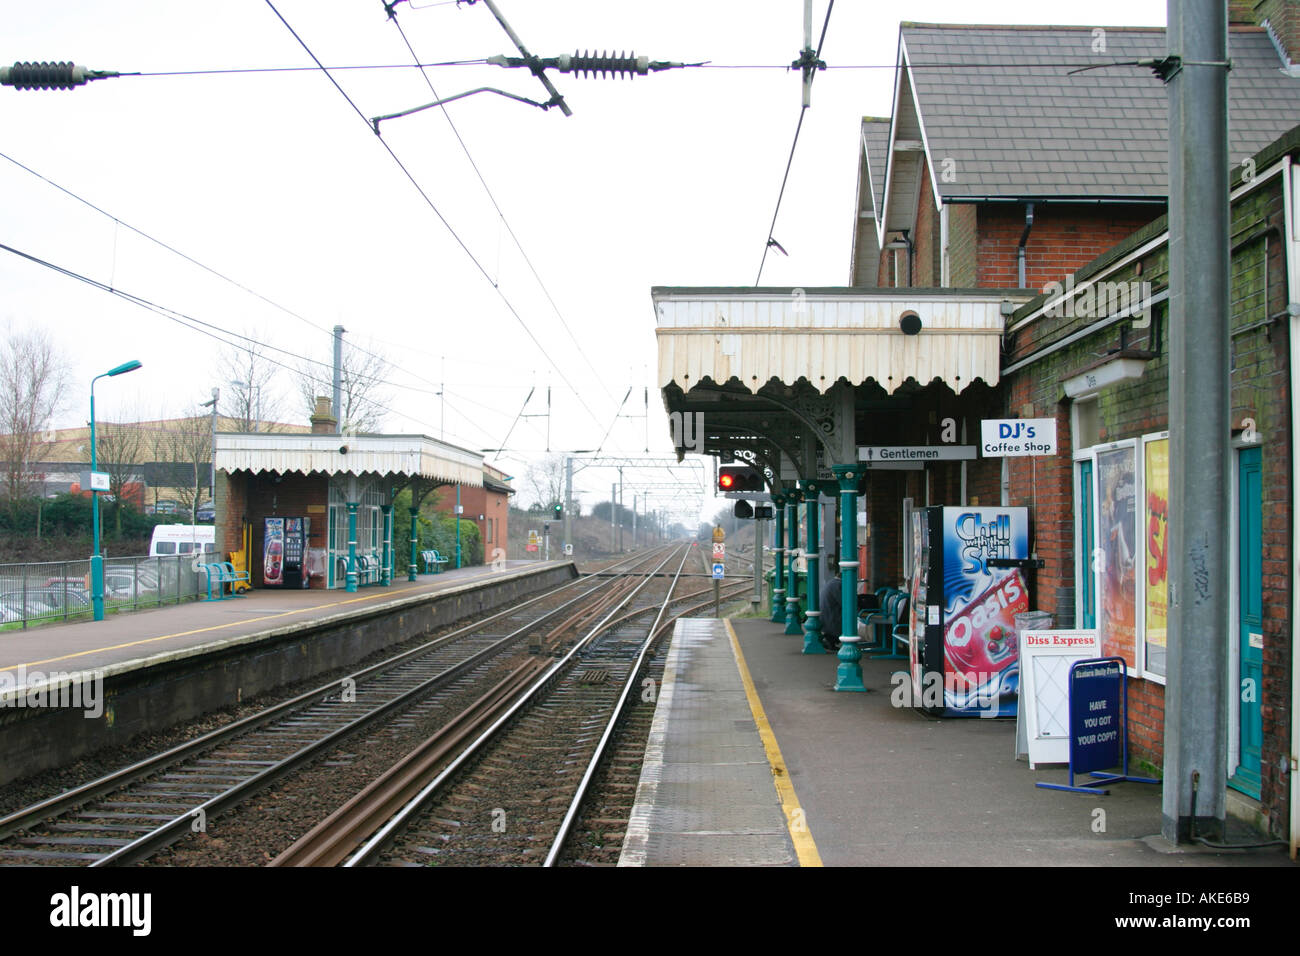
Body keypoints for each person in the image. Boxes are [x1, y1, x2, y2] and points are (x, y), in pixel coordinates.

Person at [819, 568, 842, 652]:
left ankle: (830, 641)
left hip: (826, 612)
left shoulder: (831, 582)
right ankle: (830, 641)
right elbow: (843, 602)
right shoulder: (838, 585)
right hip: (832, 614)